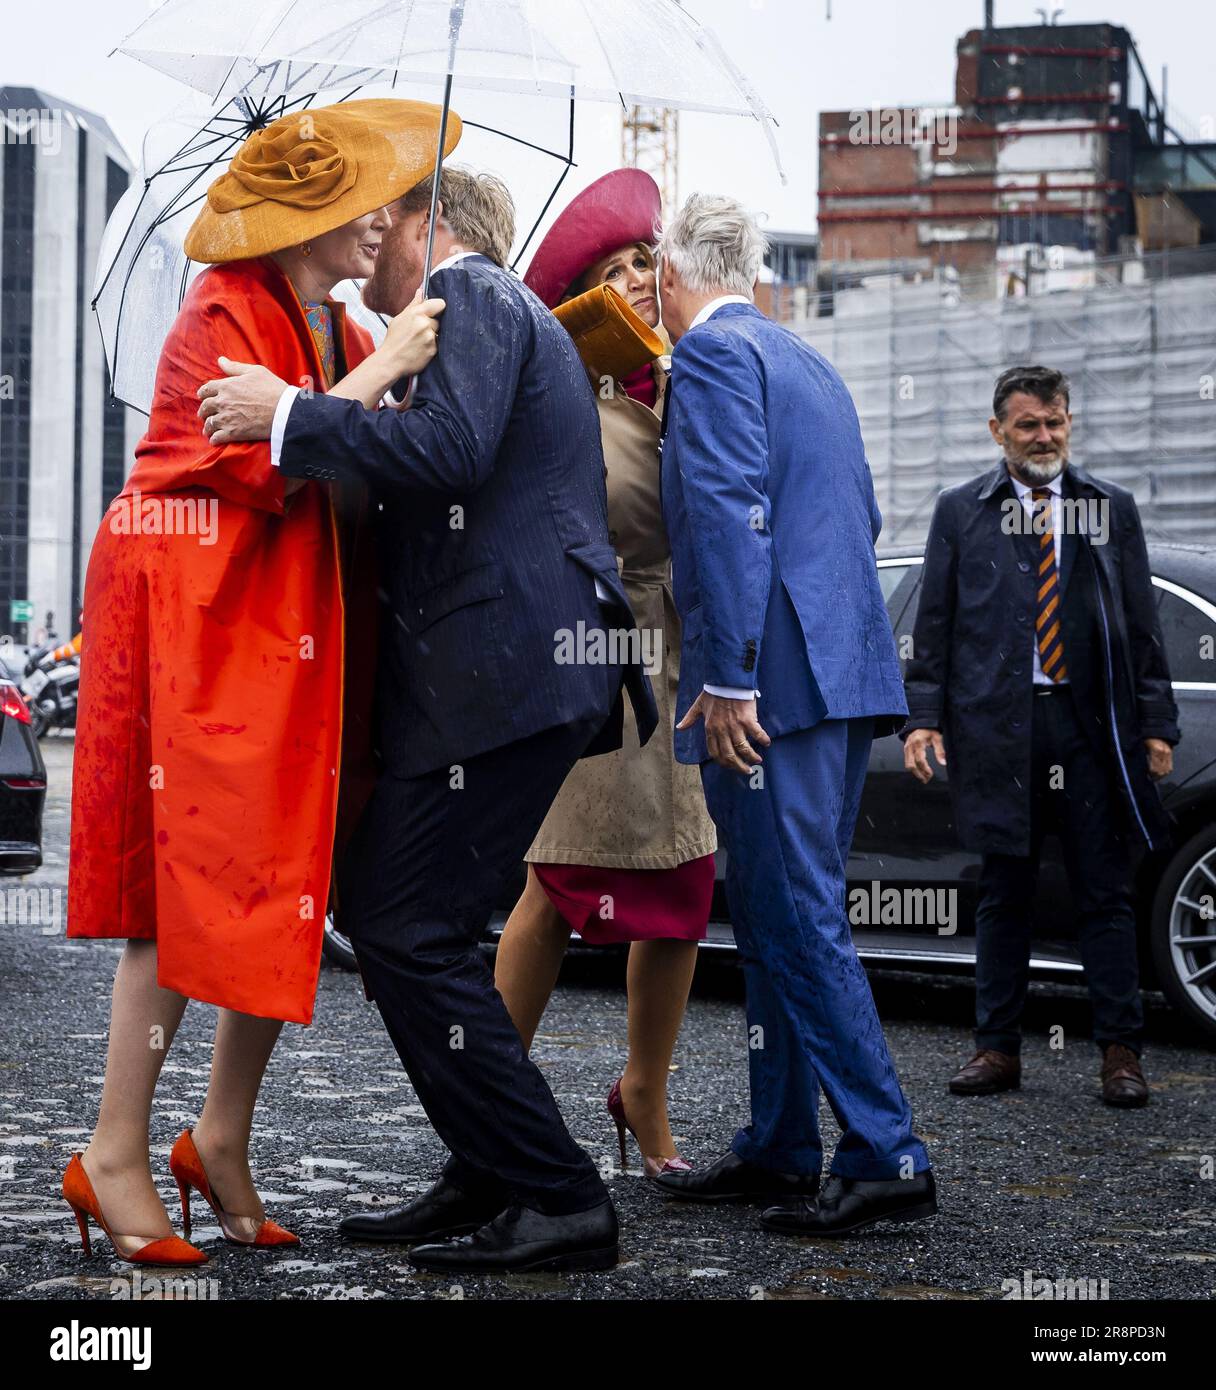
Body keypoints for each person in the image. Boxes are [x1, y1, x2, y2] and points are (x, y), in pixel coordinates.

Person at [195, 166, 658, 1274]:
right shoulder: (457, 326)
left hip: (509, 669)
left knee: (405, 925)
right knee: (405, 918)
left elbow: (449, 458)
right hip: (500, 676)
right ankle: (493, 1165)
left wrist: (291, 413)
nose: (364, 237)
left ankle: (555, 1193)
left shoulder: (476, 297)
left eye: (381, 218)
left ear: (425, 224)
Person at [62, 99, 449, 1266]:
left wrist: (364, 374)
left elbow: (315, 450)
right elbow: (238, 461)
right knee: (189, 885)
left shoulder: (311, 318)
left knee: (274, 878)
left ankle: (216, 1135)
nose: (381, 223)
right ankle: (112, 1149)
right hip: (199, 624)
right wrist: (379, 367)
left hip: (269, 630)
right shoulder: (223, 310)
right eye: (357, 205)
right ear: (301, 218)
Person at [652, 193, 936, 1238]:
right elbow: (853, 514)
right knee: (775, 909)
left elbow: (729, 514)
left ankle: (885, 1148)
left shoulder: (715, 362)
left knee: (797, 909)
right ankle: (780, 1144)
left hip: (769, 683)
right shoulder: (807, 363)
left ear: (669, 269)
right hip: (839, 672)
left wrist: (728, 675)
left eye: (650, 276)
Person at [486, 169, 717, 1180]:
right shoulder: (560, 396)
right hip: (593, 662)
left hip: (682, 666)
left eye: (644, 263)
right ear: (581, 294)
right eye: (614, 269)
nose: (636, 280)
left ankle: (642, 1095)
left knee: (681, 886)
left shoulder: (693, 381)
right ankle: (487, 1101)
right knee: (560, 878)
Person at [903, 365, 1179, 1108]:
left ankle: (1121, 1055)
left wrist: (1156, 726)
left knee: (1104, 893)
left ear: (1069, 423)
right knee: (1004, 892)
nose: (1044, 436)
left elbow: (1142, 629)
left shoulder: (1105, 509)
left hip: (1091, 730)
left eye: (1054, 421)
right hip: (998, 729)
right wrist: (923, 719)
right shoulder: (962, 512)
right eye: (1028, 424)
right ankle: (996, 1051)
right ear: (998, 432)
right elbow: (935, 628)